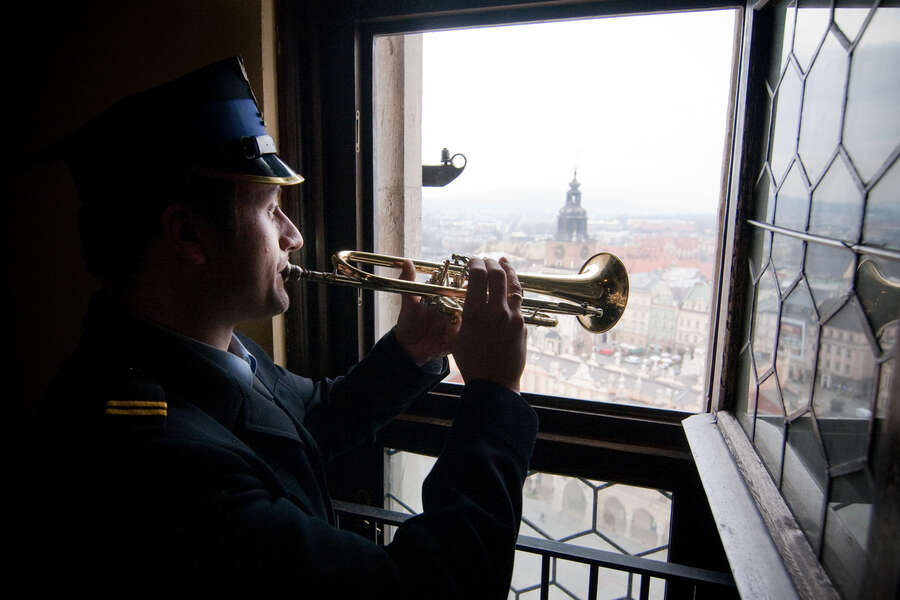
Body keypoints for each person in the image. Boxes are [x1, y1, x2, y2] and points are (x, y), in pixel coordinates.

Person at [23, 56, 536, 599]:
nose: (292, 235)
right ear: (188, 234)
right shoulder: (154, 459)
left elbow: (309, 419)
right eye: (271, 210)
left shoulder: (206, 348)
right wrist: (495, 394)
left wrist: (412, 350)